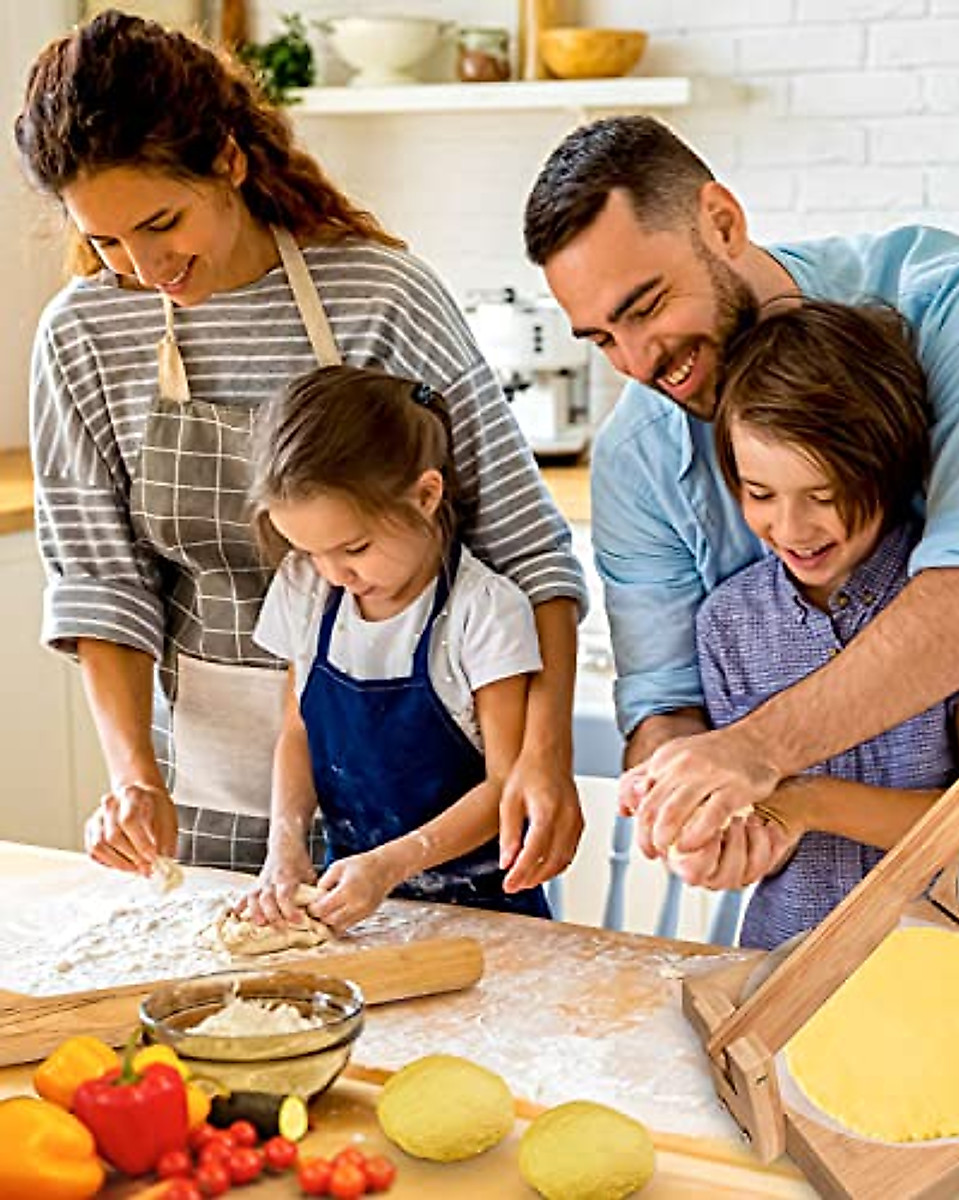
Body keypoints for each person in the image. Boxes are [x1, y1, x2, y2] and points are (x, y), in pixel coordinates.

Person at [522, 114, 959, 868]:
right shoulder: (637, 459)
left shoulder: (953, 302)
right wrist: (698, 817)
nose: (641, 363)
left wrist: (757, 751)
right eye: (602, 339)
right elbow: (668, 707)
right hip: (885, 890)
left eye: (646, 308)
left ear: (722, 221)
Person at [16, 11, 586, 886]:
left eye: (162, 221)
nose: (142, 264)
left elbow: (525, 547)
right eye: (104, 240)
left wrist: (541, 755)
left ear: (229, 162)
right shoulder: (85, 335)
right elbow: (103, 583)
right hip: (199, 794)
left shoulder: (379, 296)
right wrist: (134, 778)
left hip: (417, 802)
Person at [666, 303, 959, 949]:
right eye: (759, 493)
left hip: (949, 971)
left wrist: (809, 803)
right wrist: (729, 847)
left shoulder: (958, 605)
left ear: (886, 466)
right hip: (784, 960)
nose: (791, 528)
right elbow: (766, 834)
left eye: (825, 495)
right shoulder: (728, 624)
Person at [240, 365, 550, 931]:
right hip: (357, 910)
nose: (334, 574)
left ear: (427, 495)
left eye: (354, 547)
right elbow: (299, 730)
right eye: (310, 552)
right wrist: (283, 844)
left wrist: (389, 865)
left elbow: (506, 785)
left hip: (487, 914)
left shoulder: (485, 613)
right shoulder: (305, 590)